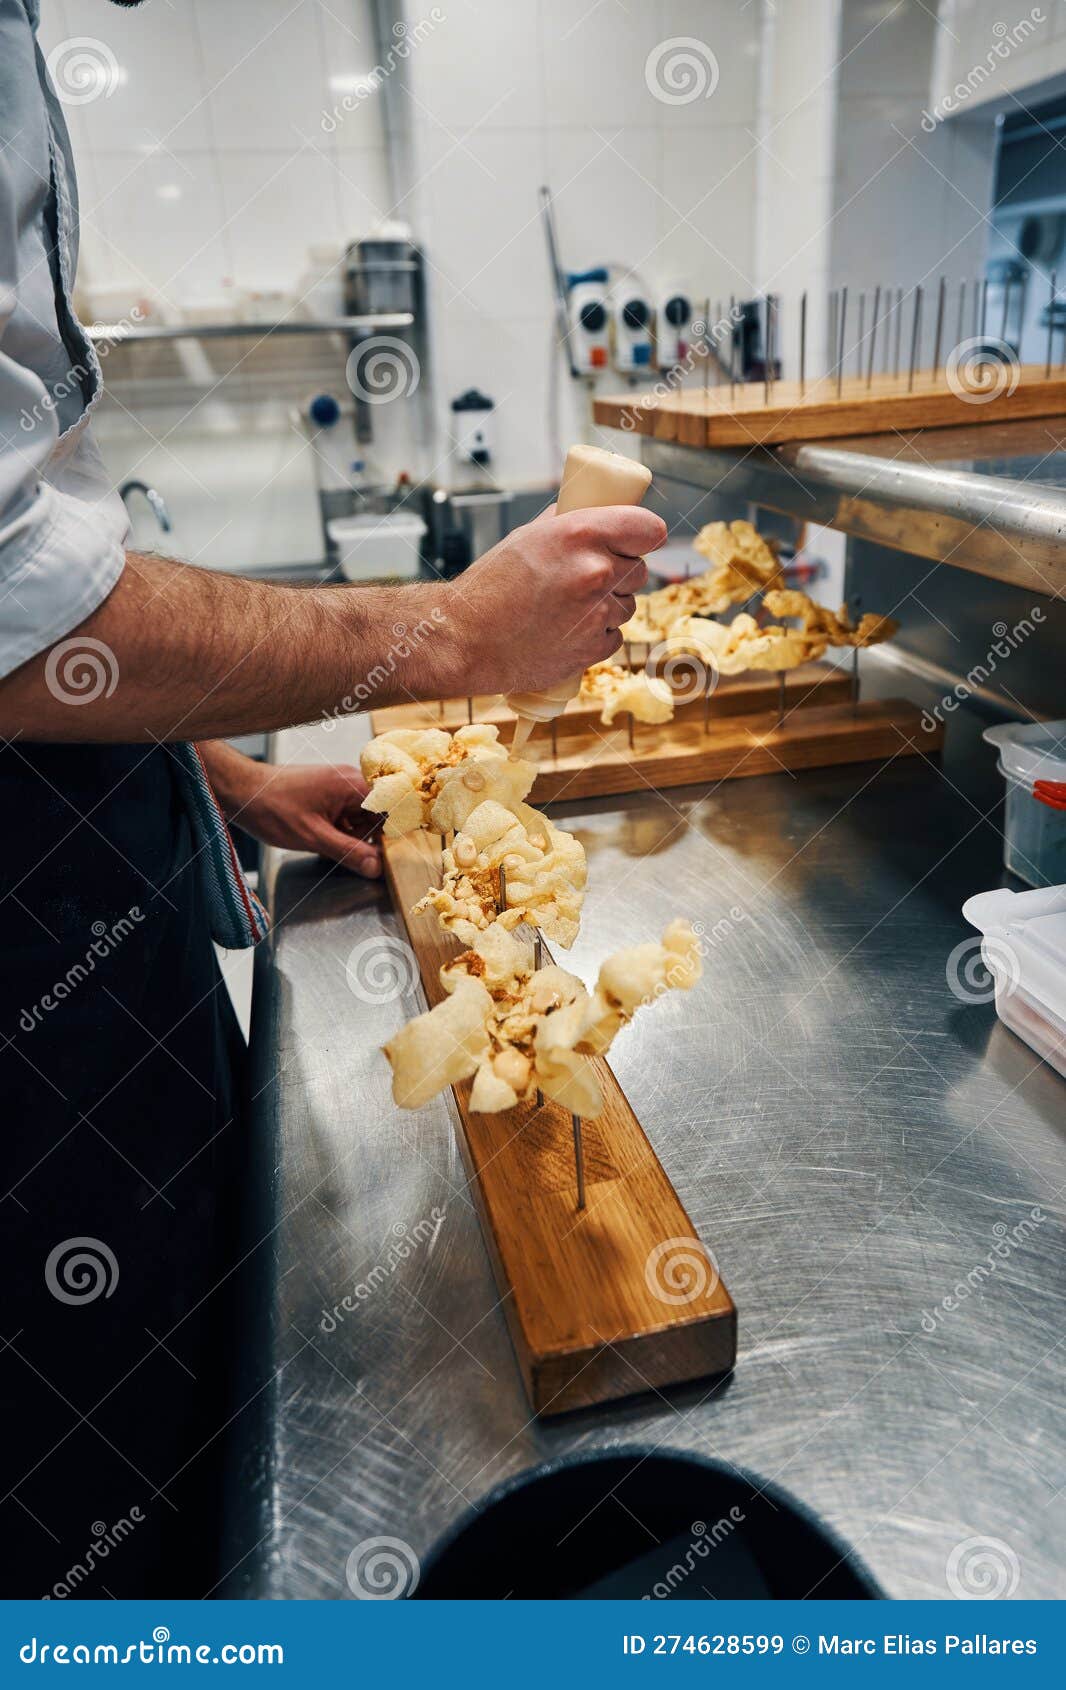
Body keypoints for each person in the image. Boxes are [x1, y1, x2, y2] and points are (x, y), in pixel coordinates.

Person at [0, 0, 664, 1597]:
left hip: (102, 920)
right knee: (86, 1499)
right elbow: (12, 603)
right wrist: (451, 633)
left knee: (183, 1413)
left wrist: (216, 775)